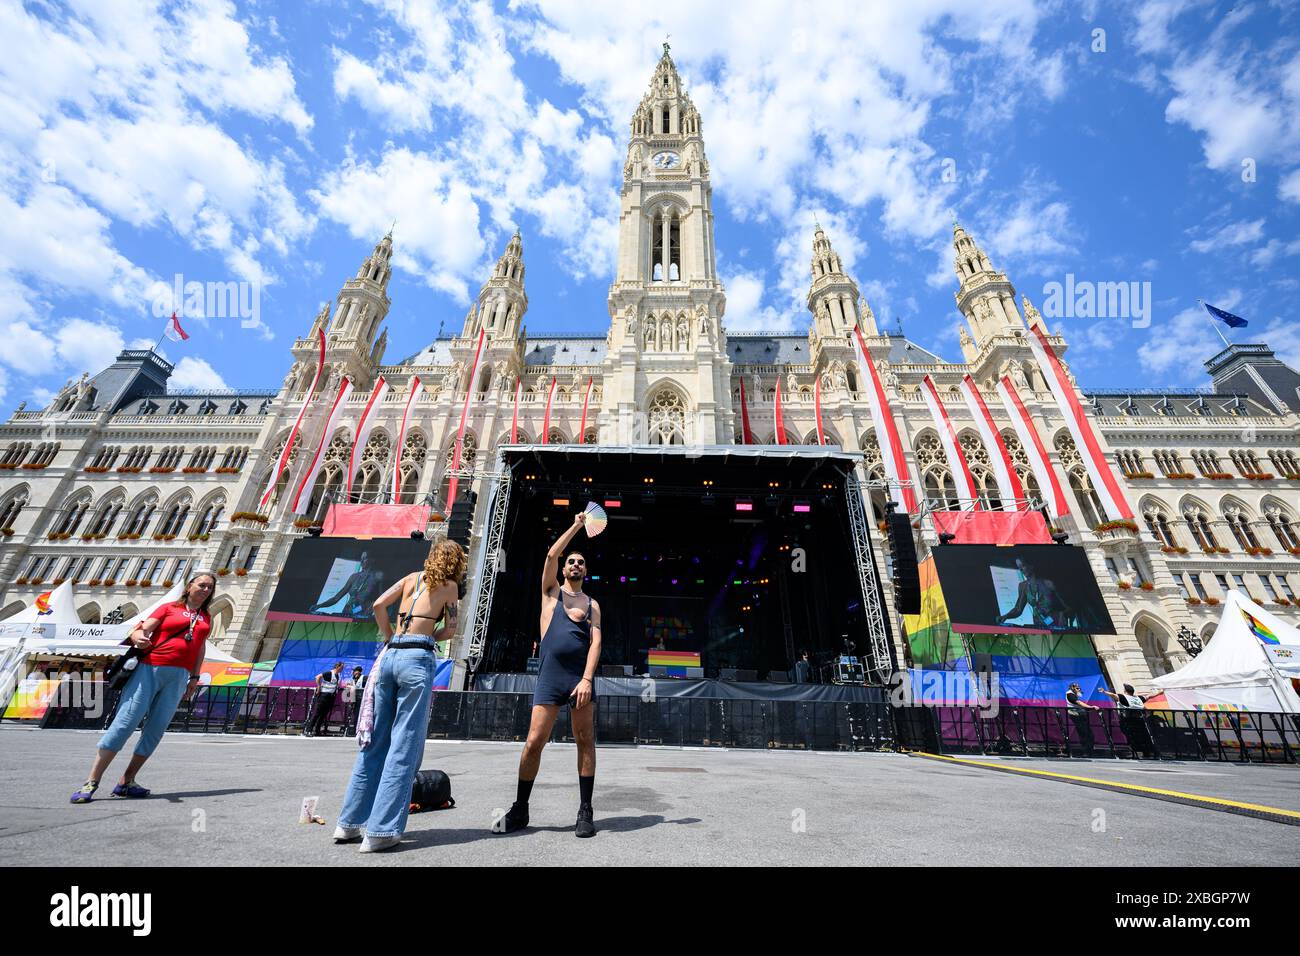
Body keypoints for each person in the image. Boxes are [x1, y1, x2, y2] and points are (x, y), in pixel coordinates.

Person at [333, 539, 466, 852]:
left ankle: (348, 824)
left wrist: (391, 636)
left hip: (390, 656)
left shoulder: (410, 578)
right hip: (417, 658)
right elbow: (451, 629)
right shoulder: (449, 587)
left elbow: (379, 604)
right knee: (404, 745)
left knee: (375, 743)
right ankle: (381, 831)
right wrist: (428, 634)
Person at [494, 513, 603, 838]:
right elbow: (550, 555)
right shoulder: (550, 593)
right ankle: (521, 809)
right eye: (571, 561)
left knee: (585, 741)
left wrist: (586, 679)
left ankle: (585, 811)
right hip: (550, 677)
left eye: (581, 562)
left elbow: (596, 643)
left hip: (578, 680)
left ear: (586, 570)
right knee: (533, 742)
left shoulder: (593, 604)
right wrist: (576, 525)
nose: (575, 565)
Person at [69, 573, 216, 803]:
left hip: (179, 676)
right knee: (125, 722)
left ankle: (126, 781)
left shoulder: (206, 617)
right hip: (150, 668)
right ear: (190, 586)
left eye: (210, 587)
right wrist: (138, 638)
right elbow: (140, 629)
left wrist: (195, 677)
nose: (206, 590)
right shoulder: (169, 608)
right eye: (202, 585)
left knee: (155, 729)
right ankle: (92, 781)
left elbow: (199, 648)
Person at [996, 558, 1070, 629]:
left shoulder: (1048, 584)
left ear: (1031, 565)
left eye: (1023, 565)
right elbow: (1018, 609)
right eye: (1019, 567)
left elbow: (1069, 608)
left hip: (1056, 625)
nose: (1021, 570)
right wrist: (1005, 616)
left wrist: (1061, 615)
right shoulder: (1023, 586)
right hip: (1038, 628)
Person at [309, 552, 384, 618]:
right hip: (346, 614)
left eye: (364, 558)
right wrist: (319, 606)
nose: (361, 561)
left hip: (362, 616)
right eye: (361, 558)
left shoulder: (377, 576)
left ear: (372, 560)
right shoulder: (354, 577)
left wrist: (372, 609)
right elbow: (336, 598)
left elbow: (382, 600)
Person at [1101, 682, 1154, 758]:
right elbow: (1149, 696)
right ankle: (1146, 752)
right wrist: (1159, 692)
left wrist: (1104, 692)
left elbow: (1113, 695)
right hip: (1140, 721)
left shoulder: (1123, 697)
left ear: (1125, 691)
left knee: (1131, 737)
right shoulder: (1139, 698)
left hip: (1127, 721)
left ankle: (1137, 753)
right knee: (1143, 736)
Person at [305, 662, 344, 737]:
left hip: (331, 696)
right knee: (317, 713)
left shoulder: (338, 675)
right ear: (337, 667)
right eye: (341, 667)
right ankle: (308, 730)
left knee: (323, 714)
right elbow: (318, 677)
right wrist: (318, 686)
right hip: (323, 695)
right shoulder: (329, 673)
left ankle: (317, 730)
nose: (342, 669)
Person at [1065, 681, 1100, 757]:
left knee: (1088, 734)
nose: (1079, 689)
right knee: (1084, 733)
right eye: (1077, 688)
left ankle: (1089, 751)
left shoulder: (1075, 693)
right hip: (1076, 715)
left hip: (1081, 715)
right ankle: (1086, 752)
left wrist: (1079, 692)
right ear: (1072, 688)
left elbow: (1081, 696)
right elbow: (1079, 702)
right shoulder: (1070, 694)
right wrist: (1090, 707)